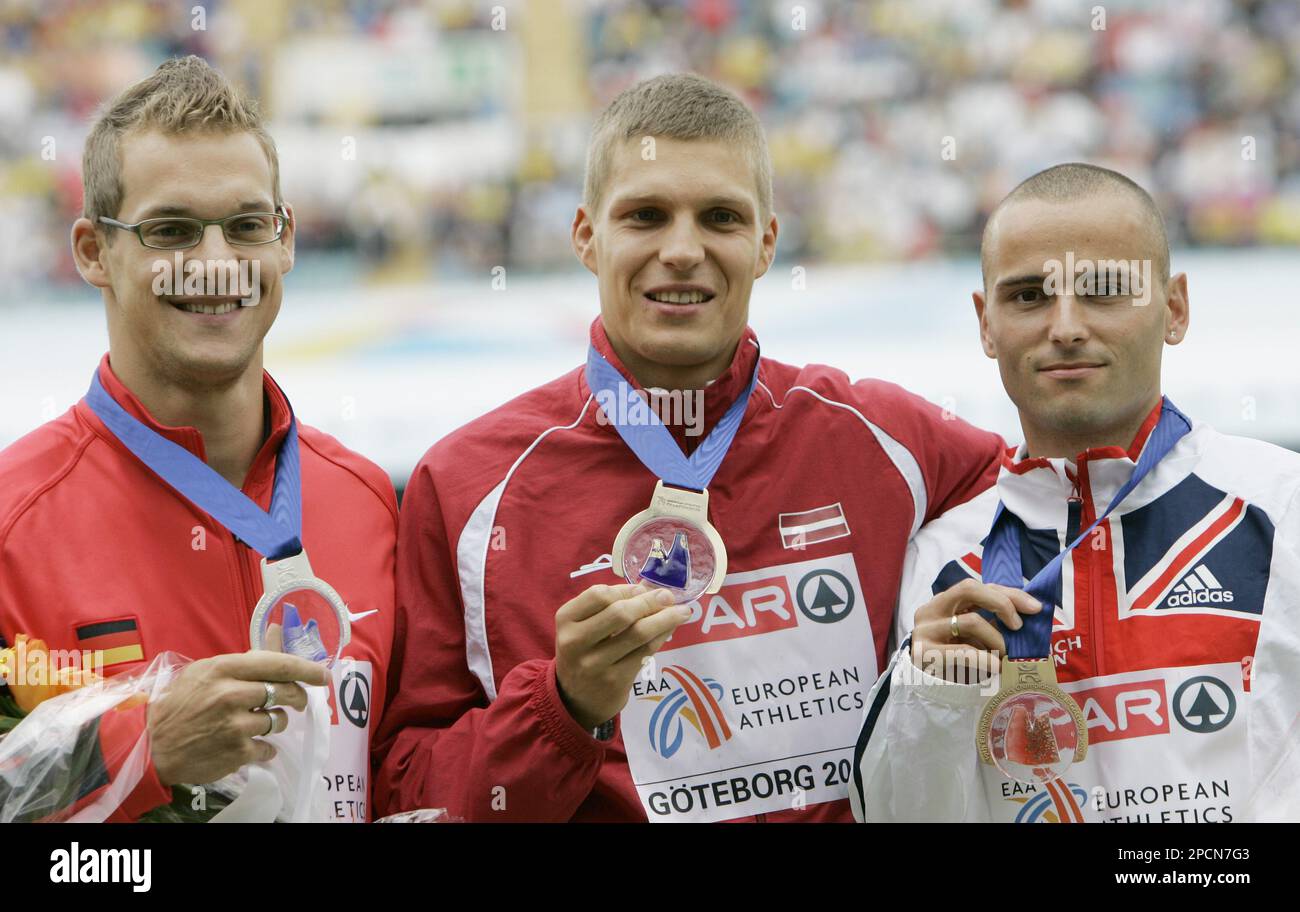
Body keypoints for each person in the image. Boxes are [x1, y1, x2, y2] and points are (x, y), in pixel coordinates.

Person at [376, 73, 1005, 822]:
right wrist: (561, 707)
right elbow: (402, 791)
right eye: (645, 215)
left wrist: (934, 626)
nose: (682, 250)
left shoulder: (885, 439)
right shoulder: (465, 486)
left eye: (720, 218)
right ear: (586, 235)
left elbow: (1040, 493)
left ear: (767, 242)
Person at [0, 57, 396, 822]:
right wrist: (141, 748)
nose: (217, 265)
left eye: (247, 226)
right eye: (171, 231)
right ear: (92, 251)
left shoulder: (367, 498)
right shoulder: (12, 524)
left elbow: (405, 767)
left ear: (284, 242)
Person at [850, 163, 1300, 823]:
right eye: (1029, 296)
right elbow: (902, 817)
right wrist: (932, 696)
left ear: (1174, 308)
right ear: (986, 323)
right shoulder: (941, 557)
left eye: (1105, 290)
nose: (1064, 326)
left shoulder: (1282, 506)